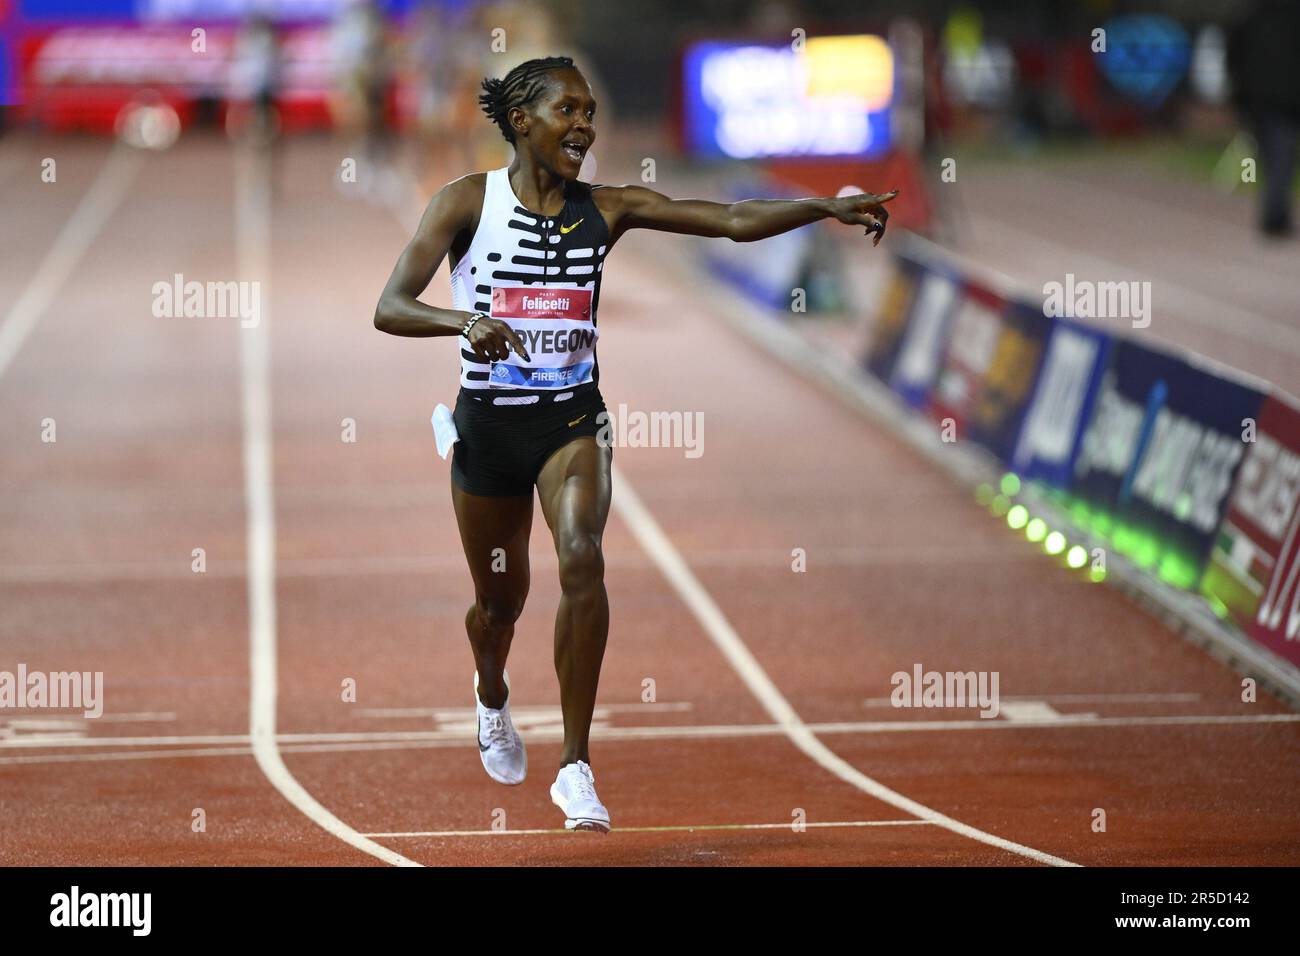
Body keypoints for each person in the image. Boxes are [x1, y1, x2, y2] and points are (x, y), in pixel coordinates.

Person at [373, 56, 896, 832]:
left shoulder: (607, 210)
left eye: (591, 112)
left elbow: (727, 217)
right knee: (499, 603)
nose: (585, 125)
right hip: (488, 426)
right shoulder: (464, 204)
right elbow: (390, 306)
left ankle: (576, 765)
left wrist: (824, 207)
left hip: (571, 423)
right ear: (523, 120)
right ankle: (490, 692)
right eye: (568, 111)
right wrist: (463, 323)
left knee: (582, 554)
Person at [1228, 0, 1300, 237]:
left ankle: (1275, 212)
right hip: (1285, 100)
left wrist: (1239, 94)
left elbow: (1233, 57)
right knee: (1281, 155)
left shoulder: (1248, 15)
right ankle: (1274, 215)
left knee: (1272, 155)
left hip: (1259, 99)